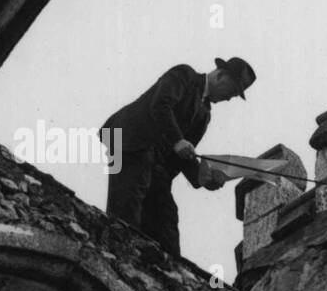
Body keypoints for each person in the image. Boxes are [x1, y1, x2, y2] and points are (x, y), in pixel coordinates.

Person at [98, 57, 256, 257]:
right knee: (126, 206)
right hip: (127, 140)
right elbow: (160, 105)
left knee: (166, 220)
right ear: (220, 75)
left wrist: (203, 178)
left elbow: (185, 155)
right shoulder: (184, 75)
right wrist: (177, 140)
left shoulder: (205, 114)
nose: (229, 99)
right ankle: (114, 258)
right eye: (231, 92)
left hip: (156, 162)